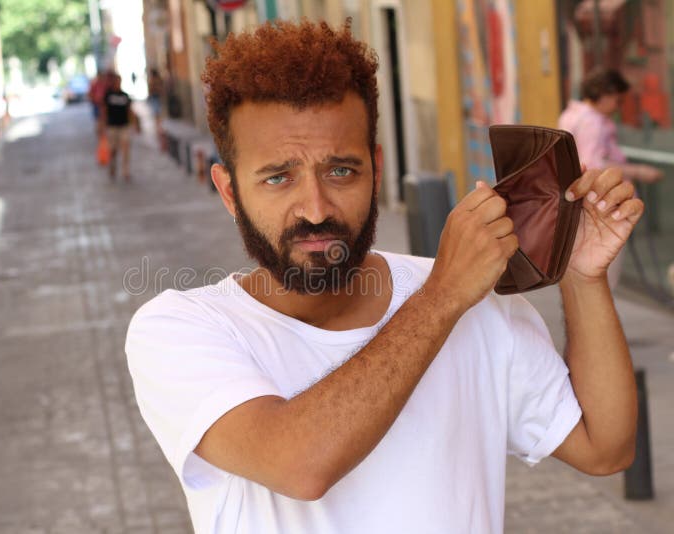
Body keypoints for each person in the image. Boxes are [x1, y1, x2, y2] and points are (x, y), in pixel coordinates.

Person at [126, 20, 643, 533]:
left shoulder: (476, 304)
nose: (315, 209)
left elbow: (605, 447)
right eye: (278, 178)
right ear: (229, 191)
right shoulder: (181, 329)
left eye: (341, 171)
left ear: (375, 170)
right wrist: (443, 295)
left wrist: (583, 276)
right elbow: (299, 465)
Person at [559, 68, 663, 287]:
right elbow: (593, 164)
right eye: (617, 100)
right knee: (603, 273)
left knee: (580, 271)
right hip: (602, 204)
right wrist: (638, 171)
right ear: (604, 94)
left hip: (581, 204)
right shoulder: (593, 122)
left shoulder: (572, 114)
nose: (618, 106)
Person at [102, 73, 138, 182]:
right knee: (113, 150)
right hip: (112, 126)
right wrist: (103, 125)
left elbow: (129, 110)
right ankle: (112, 166)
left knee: (126, 148)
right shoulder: (108, 95)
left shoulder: (125, 96)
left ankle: (125, 170)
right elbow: (104, 110)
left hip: (124, 126)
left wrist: (135, 123)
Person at [147, 68, 165, 146]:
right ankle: (159, 127)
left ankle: (158, 127)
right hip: (156, 98)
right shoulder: (158, 80)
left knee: (156, 114)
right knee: (157, 114)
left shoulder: (153, 80)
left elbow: (151, 89)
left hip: (155, 98)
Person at [88, 70, 109, 137]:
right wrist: (95, 101)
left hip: (103, 104)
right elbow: (90, 94)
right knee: (99, 120)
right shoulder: (94, 84)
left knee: (104, 120)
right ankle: (101, 135)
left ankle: (104, 134)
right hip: (97, 105)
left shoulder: (105, 84)